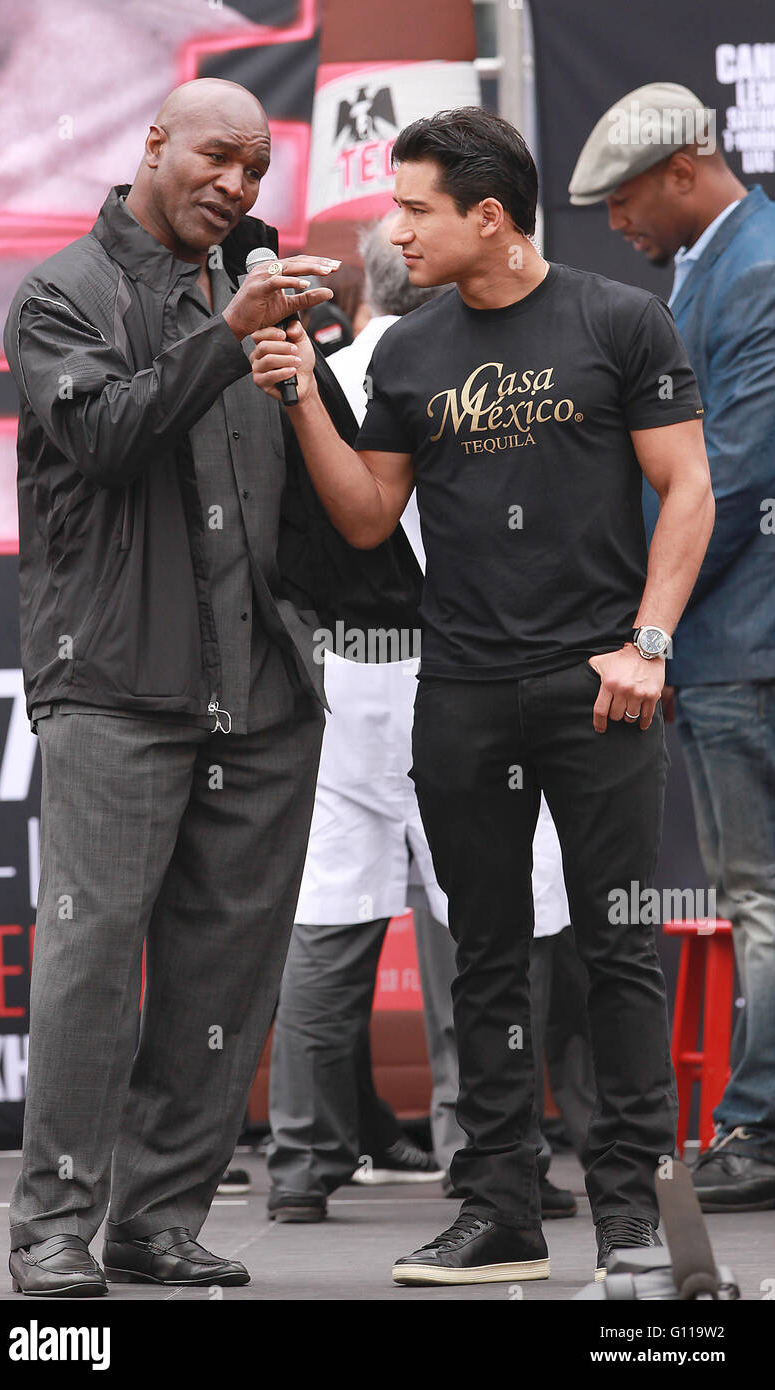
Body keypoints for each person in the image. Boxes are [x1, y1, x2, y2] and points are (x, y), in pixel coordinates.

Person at [250, 106, 714, 1286]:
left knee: (616, 950)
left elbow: (689, 489)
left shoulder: (619, 319)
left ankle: (632, 1216)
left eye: (415, 210)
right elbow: (364, 516)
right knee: (489, 954)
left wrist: (647, 643)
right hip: (458, 689)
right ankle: (498, 1209)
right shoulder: (406, 350)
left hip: (599, 683)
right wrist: (304, 390)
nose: (393, 231)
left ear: (489, 218)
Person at [2, 77, 421, 1298]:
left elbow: (321, 500)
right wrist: (229, 334)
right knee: (91, 965)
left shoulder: (250, 300)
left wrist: (304, 376)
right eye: (217, 160)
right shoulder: (62, 294)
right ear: (154, 144)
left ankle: (159, 1218)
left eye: (254, 170)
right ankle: (52, 1228)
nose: (237, 188)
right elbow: (106, 435)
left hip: (267, 689)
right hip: (120, 687)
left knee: (222, 971)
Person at [267, 213, 578, 1223]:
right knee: (489, 917)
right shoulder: (465, 372)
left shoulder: (319, 377)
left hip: (346, 677)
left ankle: (301, 1166)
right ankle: (491, 1147)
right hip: (460, 668)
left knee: (331, 914)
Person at [570, 83, 775, 1213]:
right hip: (726, 631)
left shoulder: (755, 269)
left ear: (687, 168)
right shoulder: (716, 264)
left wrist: (640, 603)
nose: (612, 221)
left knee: (761, 892)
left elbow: (734, 478)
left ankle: (758, 1123)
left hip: (742, 633)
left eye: (626, 196)